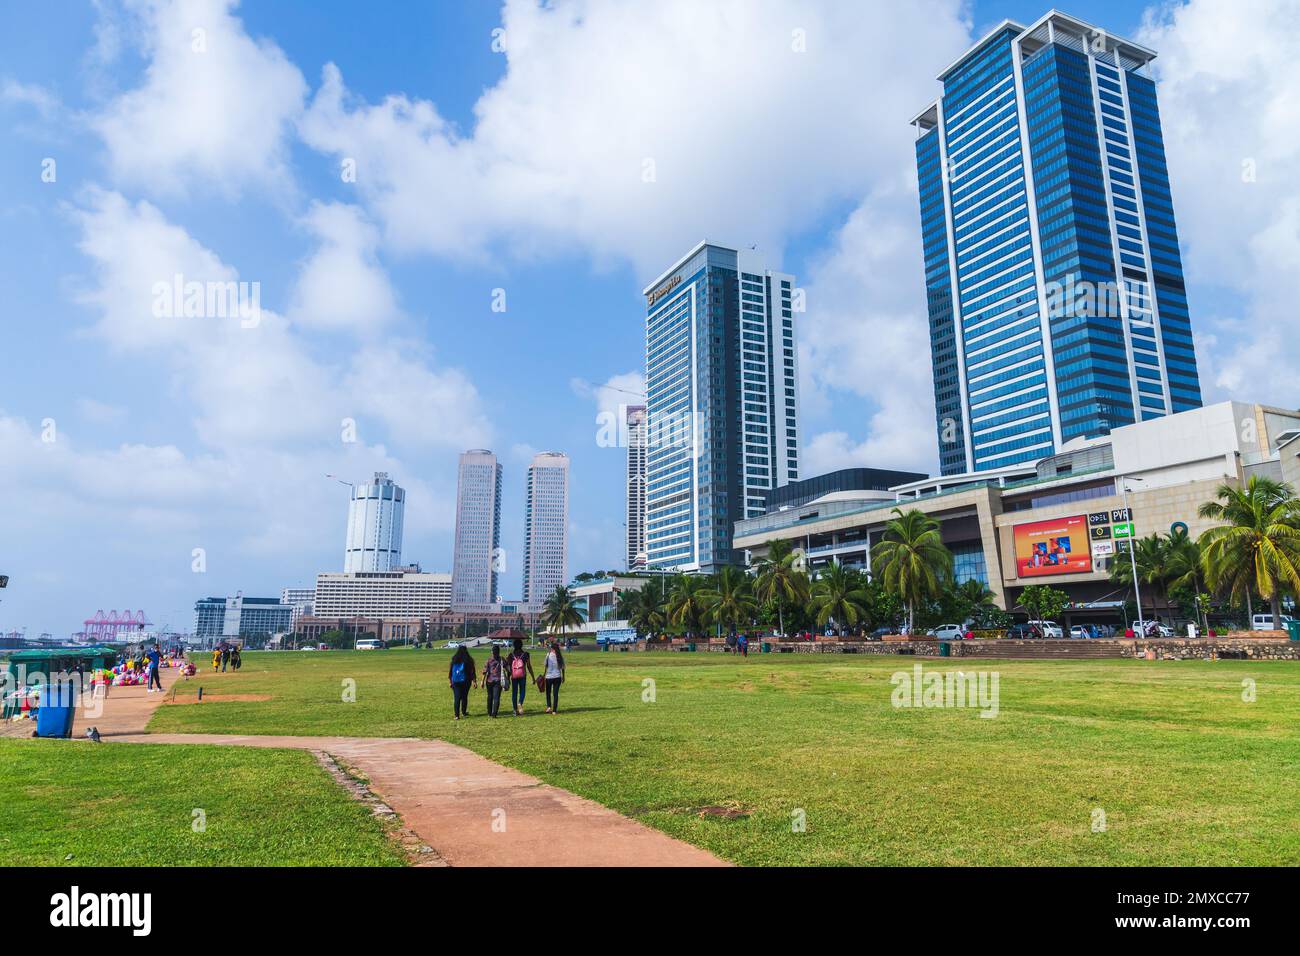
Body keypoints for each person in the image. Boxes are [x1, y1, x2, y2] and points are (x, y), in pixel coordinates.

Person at [507, 638, 535, 716]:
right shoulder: (525, 654)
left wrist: (508, 677)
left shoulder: (511, 655)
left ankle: (515, 710)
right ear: (521, 645)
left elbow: (509, 668)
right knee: (522, 691)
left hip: (514, 676)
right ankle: (520, 703)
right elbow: (529, 666)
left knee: (514, 692)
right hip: (522, 675)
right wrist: (533, 677)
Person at [448, 645, 476, 720]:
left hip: (456, 681)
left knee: (457, 698)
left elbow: (451, 671)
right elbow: (472, 671)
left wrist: (450, 681)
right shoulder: (469, 660)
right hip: (466, 681)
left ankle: (457, 715)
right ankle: (463, 712)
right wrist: (474, 681)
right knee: (464, 697)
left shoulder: (454, 659)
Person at [483, 645, 506, 718]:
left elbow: (485, 672)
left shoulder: (489, 660)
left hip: (489, 680)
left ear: (492, 652)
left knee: (490, 696)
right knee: (496, 697)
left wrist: (482, 681)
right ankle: (494, 714)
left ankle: (489, 712)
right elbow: (508, 667)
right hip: (498, 680)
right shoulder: (502, 659)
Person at [543, 640, 565, 714]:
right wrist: (563, 676)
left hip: (549, 677)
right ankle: (554, 710)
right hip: (557, 677)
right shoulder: (559, 655)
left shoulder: (548, 654)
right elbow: (562, 667)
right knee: (555, 694)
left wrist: (544, 674)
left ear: (552, 649)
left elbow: (545, 665)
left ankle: (549, 707)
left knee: (548, 693)